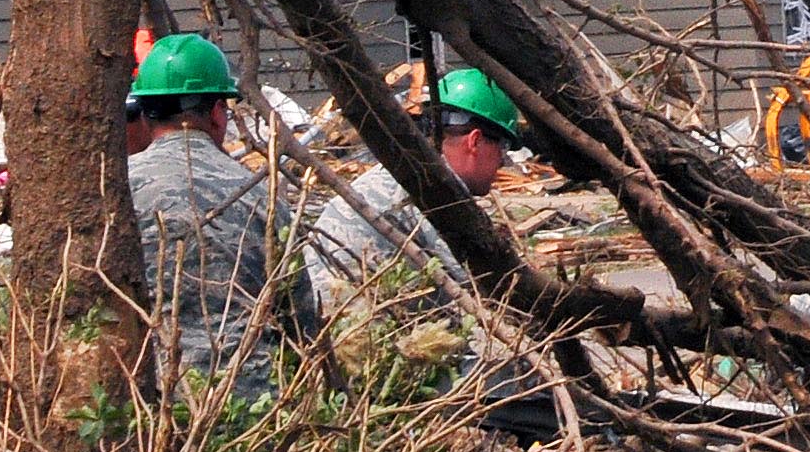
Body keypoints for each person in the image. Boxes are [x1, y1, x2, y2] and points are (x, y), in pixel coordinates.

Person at [122, 32, 304, 393]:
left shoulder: (117, 191)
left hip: (147, 397)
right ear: (219, 113)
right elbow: (298, 317)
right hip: (249, 398)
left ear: (143, 114)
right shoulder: (260, 195)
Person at [304, 66, 521, 325]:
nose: (502, 161)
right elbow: (483, 299)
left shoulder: (400, 174)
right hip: (365, 337)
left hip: (324, 327)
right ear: (474, 141)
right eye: (503, 146)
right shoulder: (437, 196)